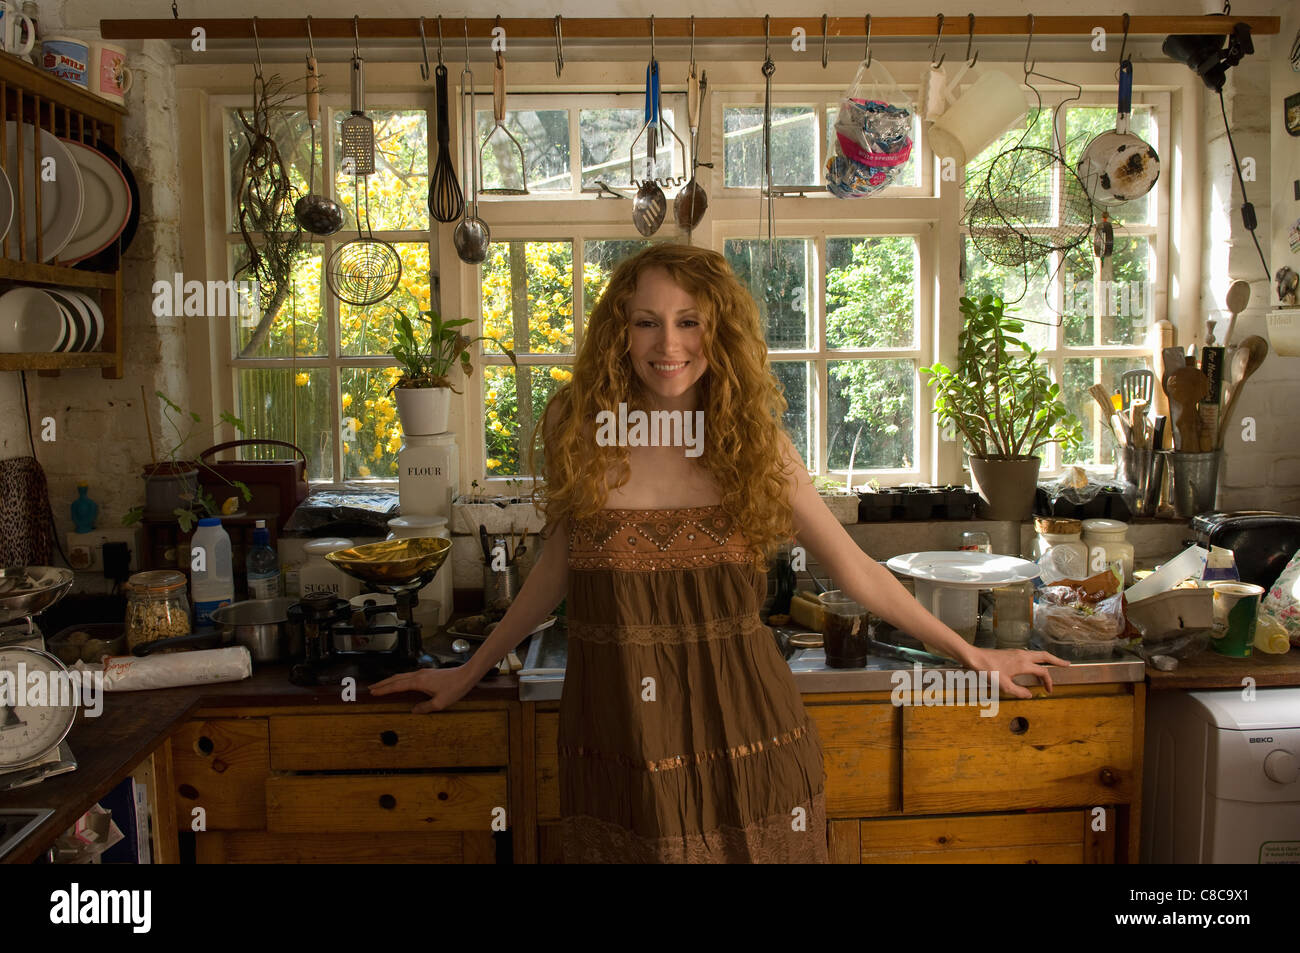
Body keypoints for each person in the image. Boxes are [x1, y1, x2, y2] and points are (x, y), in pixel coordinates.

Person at [371, 243, 1068, 863]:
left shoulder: (752, 445)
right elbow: (556, 569)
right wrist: (469, 671)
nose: (667, 343)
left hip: (748, 738)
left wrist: (972, 655)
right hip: (620, 744)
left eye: (689, 320)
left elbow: (856, 571)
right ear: (620, 332)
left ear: (718, 330)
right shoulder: (581, 431)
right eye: (646, 320)